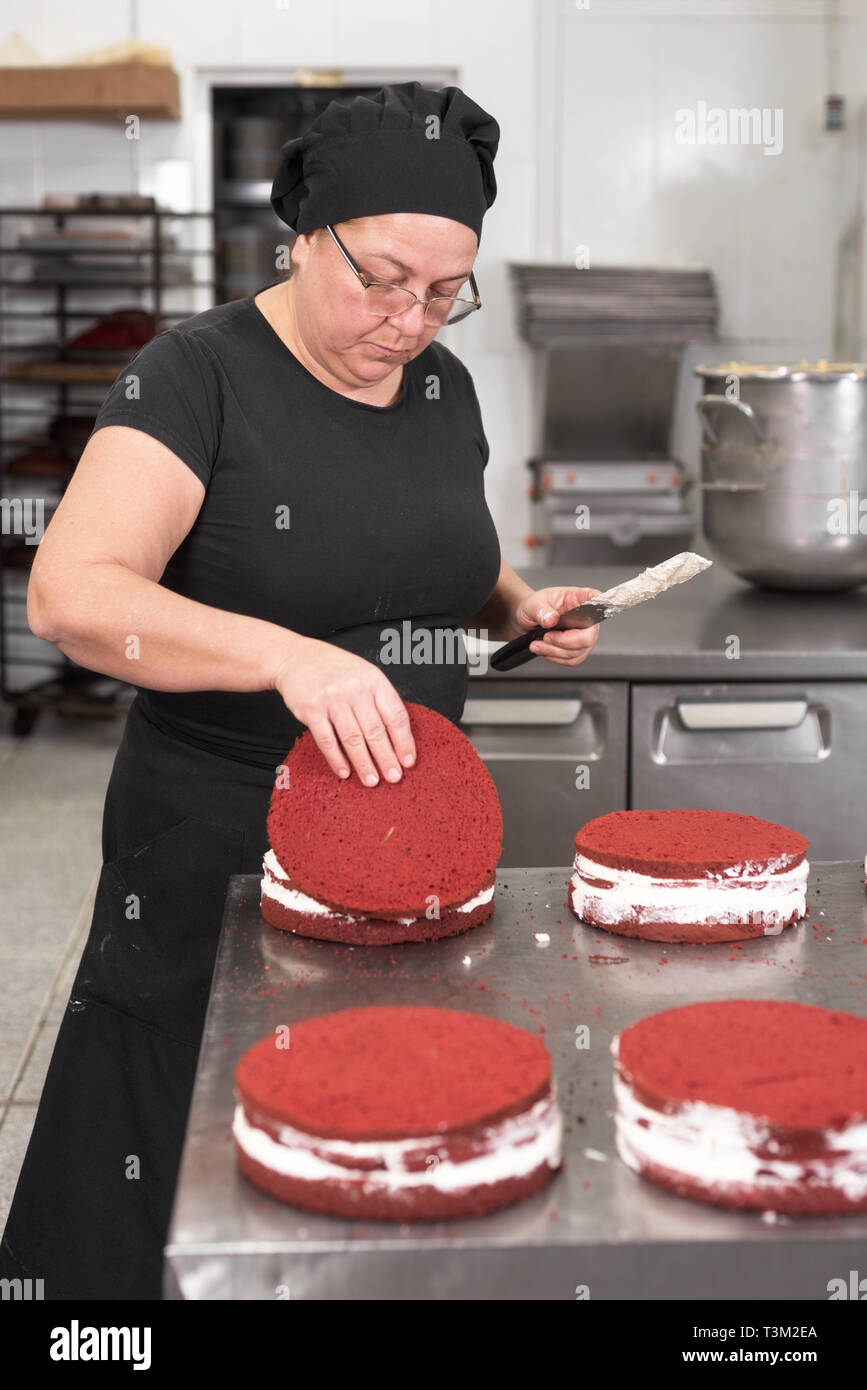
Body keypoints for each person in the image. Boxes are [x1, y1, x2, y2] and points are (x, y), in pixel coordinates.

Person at [0, 81, 600, 1300]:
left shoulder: (444, 388)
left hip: (412, 840)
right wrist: (287, 653)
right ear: (302, 233)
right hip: (215, 845)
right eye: (381, 277)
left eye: (444, 292)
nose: (409, 320)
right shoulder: (196, 376)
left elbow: (446, 548)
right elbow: (70, 593)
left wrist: (516, 605)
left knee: (364, 1129)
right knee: (168, 1150)